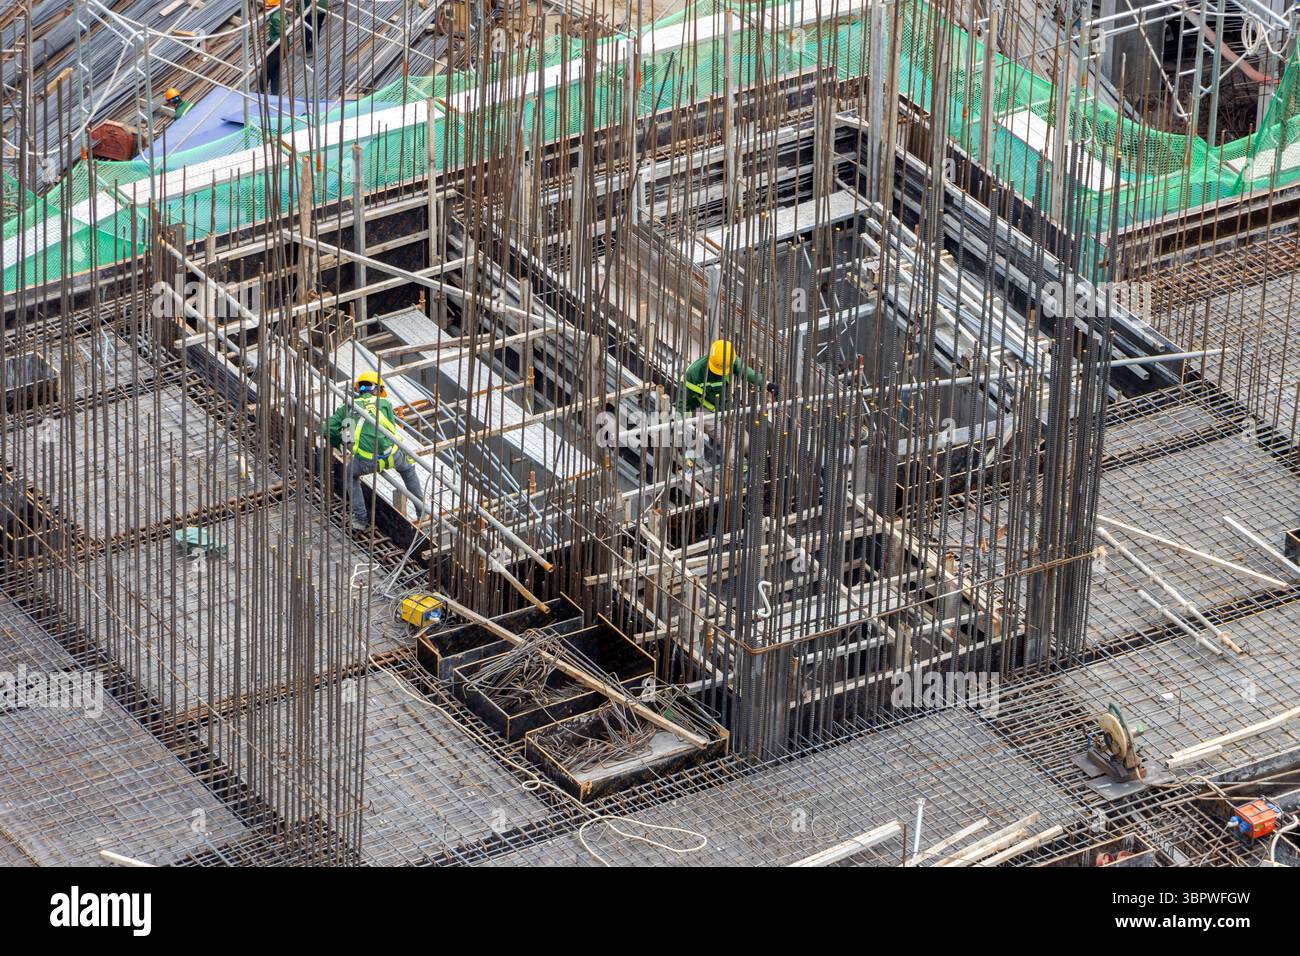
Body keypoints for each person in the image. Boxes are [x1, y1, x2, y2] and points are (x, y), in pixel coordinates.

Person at [325, 371, 426, 531]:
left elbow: (327, 429)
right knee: (408, 470)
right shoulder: (384, 404)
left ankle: (360, 519)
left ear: (359, 389)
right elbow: (391, 430)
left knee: (349, 474)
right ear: (377, 390)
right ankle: (423, 513)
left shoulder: (347, 408)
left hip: (367, 462)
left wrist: (340, 443)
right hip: (392, 455)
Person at [676, 339, 778, 468]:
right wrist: (680, 428)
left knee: (744, 443)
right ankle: (736, 473)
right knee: (729, 442)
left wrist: (768, 385)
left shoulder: (729, 359)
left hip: (724, 408)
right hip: (702, 410)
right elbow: (682, 403)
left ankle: (737, 466)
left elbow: (748, 372)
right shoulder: (694, 373)